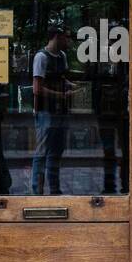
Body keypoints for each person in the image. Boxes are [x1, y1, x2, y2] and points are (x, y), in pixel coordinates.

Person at [31, 25, 73, 194]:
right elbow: (37, 88)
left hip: (60, 111)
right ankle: (37, 192)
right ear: (57, 36)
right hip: (45, 111)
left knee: (57, 151)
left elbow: (63, 79)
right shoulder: (41, 57)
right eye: (65, 37)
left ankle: (55, 190)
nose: (68, 41)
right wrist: (61, 95)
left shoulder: (62, 56)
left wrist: (75, 86)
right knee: (41, 152)